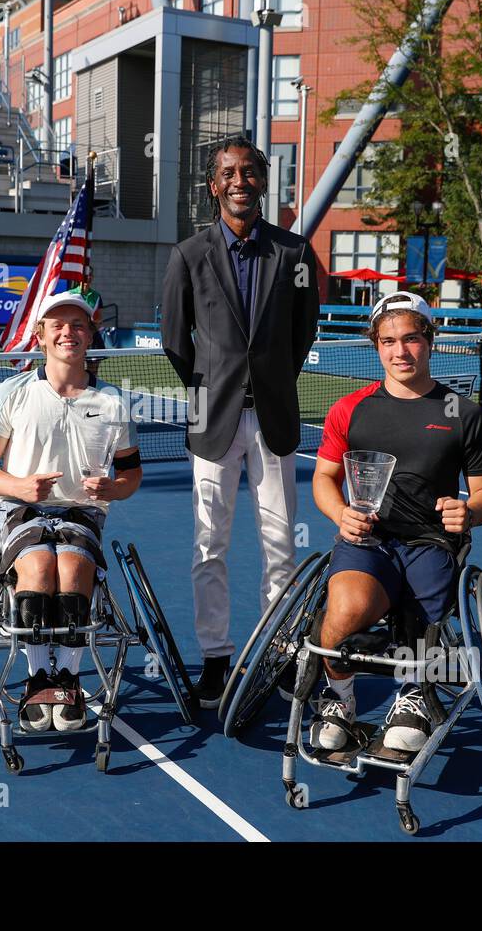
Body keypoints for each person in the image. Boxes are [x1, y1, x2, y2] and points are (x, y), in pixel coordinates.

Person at [160, 135, 319, 708]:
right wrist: (212, 392)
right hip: (212, 418)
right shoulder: (187, 255)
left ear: (263, 180)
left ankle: (277, 654)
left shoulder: (297, 255)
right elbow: (176, 343)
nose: (240, 181)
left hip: (275, 417)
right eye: (229, 172)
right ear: (213, 185)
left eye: (250, 172)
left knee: (281, 546)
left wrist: (269, 382)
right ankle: (216, 659)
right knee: (211, 547)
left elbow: (303, 334)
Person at [309, 292, 482, 753]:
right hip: (368, 542)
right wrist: (340, 513)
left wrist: (470, 510)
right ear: (376, 346)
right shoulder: (349, 409)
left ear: (429, 341)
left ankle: (412, 692)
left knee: (427, 615)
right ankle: (340, 697)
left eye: (411, 338)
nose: (400, 351)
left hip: (432, 542)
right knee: (344, 614)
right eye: (389, 341)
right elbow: (323, 479)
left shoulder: (465, 414)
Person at [0, 291, 141, 733]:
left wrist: (113, 488)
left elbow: (132, 474)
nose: (69, 332)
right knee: (40, 565)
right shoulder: (14, 392)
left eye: (78, 325)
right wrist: (20, 486)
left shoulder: (113, 402)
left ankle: (66, 678)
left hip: (82, 513)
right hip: (22, 509)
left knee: (73, 566)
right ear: (40, 335)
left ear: (90, 334)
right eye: (58, 325)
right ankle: (37, 679)